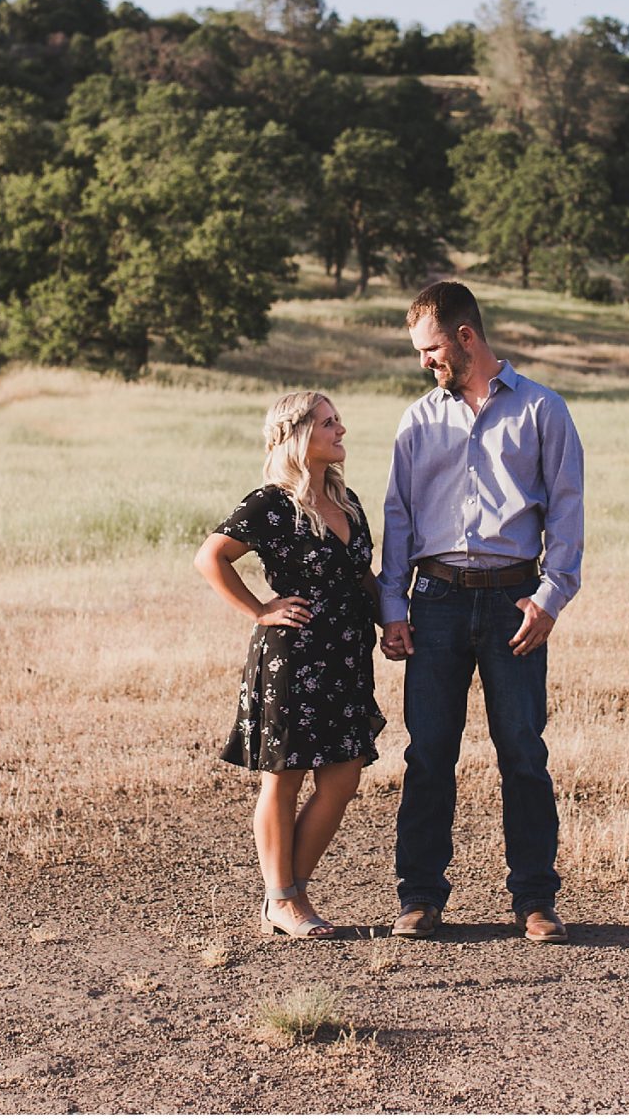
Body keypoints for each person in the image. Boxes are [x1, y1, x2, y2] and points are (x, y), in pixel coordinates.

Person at [378, 281, 585, 944]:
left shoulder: (543, 411)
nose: (425, 363)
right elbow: (399, 517)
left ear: (466, 336)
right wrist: (393, 606)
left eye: (432, 348)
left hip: (513, 604)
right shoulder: (418, 421)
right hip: (434, 602)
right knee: (428, 754)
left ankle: (534, 901)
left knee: (523, 752)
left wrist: (550, 598)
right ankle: (420, 897)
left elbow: (567, 512)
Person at [195, 391, 385, 939]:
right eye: (328, 423)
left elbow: (361, 576)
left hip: (347, 657)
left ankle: (291, 891)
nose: (341, 429)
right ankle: (283, 900)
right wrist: (259, 609)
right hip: (293, 655)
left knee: (343, 776)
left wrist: (390, 621)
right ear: (299, 434)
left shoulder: (347, 503)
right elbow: (210, 558)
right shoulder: (272, 503)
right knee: (286, 776)